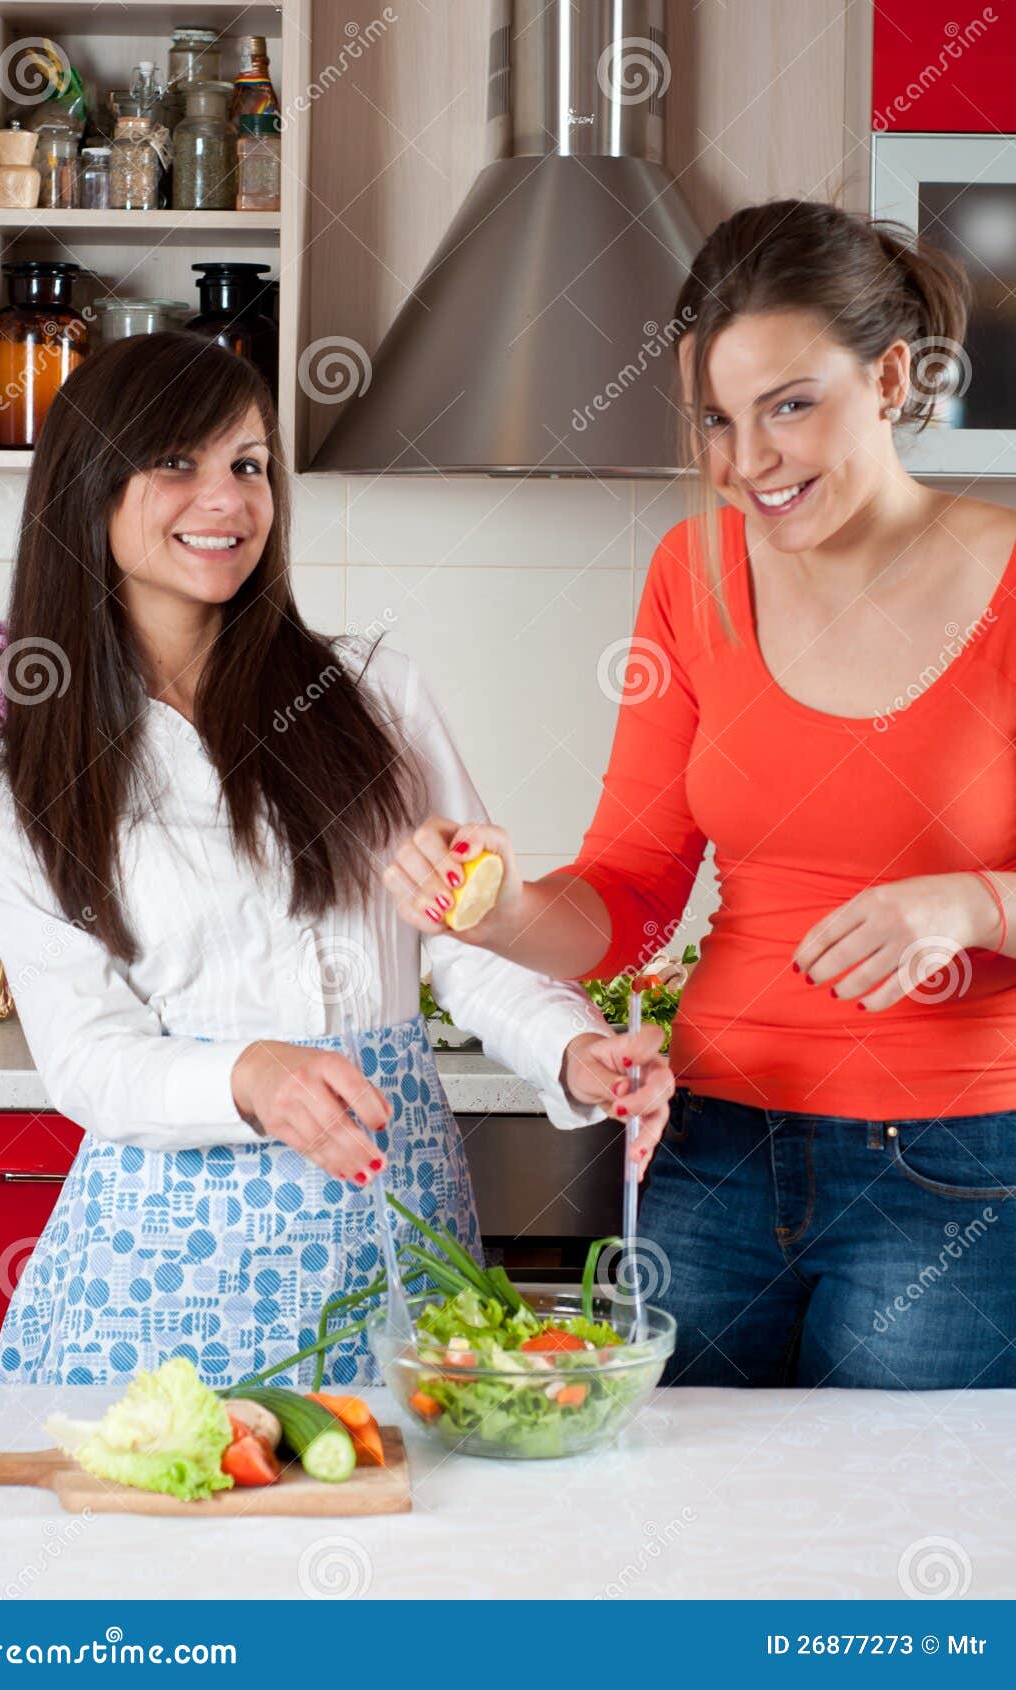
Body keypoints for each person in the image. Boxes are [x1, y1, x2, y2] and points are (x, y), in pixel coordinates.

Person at [382, 199, 1016, 1390]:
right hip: (712, 1148)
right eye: (717, 420)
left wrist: (970, 906)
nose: (746, 462)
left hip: (955, 1167)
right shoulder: (696, 574)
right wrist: (502, 909)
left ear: (890, 378)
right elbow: (628, 896)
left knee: (887, 1502)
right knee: (669, 1487)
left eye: (790, 405)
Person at [0, 331, 674, 1389]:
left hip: (392, 1223)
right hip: (161, 1267)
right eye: (177, 461)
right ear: (88, 489)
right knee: (176, 1485)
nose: (227, 499)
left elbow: (462, 941)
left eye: (249, 464)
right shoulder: (29, 782)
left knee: (404, 1485)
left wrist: (572, 1048)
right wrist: (247, 1074)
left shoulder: (371, 698)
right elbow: (87, 1057)